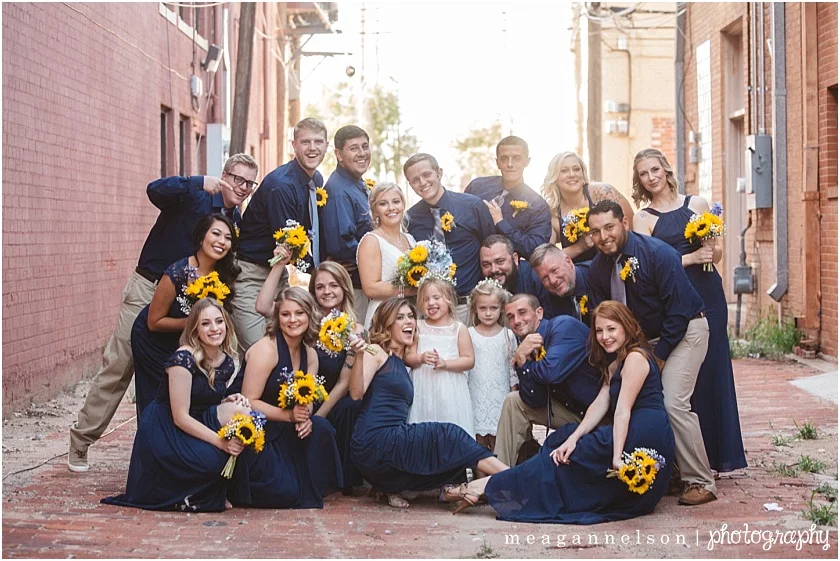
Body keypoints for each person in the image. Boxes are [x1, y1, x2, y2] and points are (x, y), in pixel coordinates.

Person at [69, 154, 257, 472]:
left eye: (249, 183)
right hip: (150, 285)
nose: (242, 187)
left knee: (170, 376)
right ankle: (81, 441)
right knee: (119, 364)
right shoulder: (195, 194)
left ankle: (158, 449)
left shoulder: (233, 224)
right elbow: (155, 190)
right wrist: (197, 181)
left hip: (188, 306)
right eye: (237, 179)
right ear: (224, 175)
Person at [447, 301, 676, 523]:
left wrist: (616, 456)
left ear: (626, 327)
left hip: (644, 434)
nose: (605, 336)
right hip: (627, 428)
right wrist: (573, 439)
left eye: (611, 329)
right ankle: (495, 484)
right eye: (599, 330)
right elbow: (599, 406)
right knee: (561, 443)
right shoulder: (615, 363)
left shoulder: (636, 357)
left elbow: (622, 411)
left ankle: (484, 486)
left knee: (568, 459)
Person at [587, 199, 717, 506]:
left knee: (672, 401)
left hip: (686, 330)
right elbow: (607, 321)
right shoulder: (598, 268)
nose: (603, 236)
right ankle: (667, 470)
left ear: (625, 224)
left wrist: (656, 359)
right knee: (636, 400)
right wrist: (614, 363)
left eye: (609, 227)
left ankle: (701, 480)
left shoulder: (658, 254)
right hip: (644, 343)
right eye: (595, 231)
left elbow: (679, 312)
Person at [631, 148, 746, 473]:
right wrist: (691, 258)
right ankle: (685, 463)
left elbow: (717, 252)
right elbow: (650, 267)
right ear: (639, 180)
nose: (651, 177)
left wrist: (713, 251)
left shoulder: (696, 204)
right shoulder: (644, 218)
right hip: (674, 302)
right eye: (644, 173)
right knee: (681, 381)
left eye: (655, 169)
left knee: (713, 372)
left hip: (709, 294)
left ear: (666, 170)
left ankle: (716, 456)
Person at [349, 298, 508, 509]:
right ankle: (514, 476)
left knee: (449, 454)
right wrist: (360, 355)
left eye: (410, 317)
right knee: (449, 435)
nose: (409, 322)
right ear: (387, 323)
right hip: (375, 440)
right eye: (400, 317)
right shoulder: (377, 352)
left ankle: (463, 489)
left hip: (392, 443)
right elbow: (356, 393)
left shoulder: (401, 360)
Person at [101, 298, 253, 512]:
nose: (214, 328)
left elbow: (205, 396)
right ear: (195, 329)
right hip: (167, 427)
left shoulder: (226, 361)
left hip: (198, 417)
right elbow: (180, 417)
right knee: (215, 459)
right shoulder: (183, 360)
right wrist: (221, 443)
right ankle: (189, 494)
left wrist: (228, 399)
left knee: (243, 413)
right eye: (206, 323)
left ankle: (222, 491)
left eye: (219, 321)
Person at [255, 259, 364, 495]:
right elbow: (264, 307)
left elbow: (345, 383)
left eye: (333, 285)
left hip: (329, 402)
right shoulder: (303, 320)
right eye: (320, 287)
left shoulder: (355, 330)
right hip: (295, 400)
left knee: (351, 406)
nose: (327, 292)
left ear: (344, 288)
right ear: (312, 291)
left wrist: (313, 417)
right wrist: (278, 264)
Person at [228, 287, 343, 508]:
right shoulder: (266, 350)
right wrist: (290, 416)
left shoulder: (309, 354)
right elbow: (249, 400)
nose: (293, 320)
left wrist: (306, 416)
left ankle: (305, 482)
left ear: (310, 315)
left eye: (299, 313)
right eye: (285, 314)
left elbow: (308, 395)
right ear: (277, 317)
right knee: (284, 492)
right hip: (256, 427)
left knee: (322, 427)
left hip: (285, 426)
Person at [232, 117, 328, 353]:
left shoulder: (314, 180)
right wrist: (320, 271)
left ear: (326, 145)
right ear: (293, 145)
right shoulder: (282, 185)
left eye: (318, 142)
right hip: (251, 276)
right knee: (259, 353)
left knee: (287, 352)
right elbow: (289, 245)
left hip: (278, 274)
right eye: (305, 142)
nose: (312, 148)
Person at [131, 214, 239, 417]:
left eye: (228, 238)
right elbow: (153, 322)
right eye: (216, 234)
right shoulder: (178, 272)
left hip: (190, 344)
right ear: (201, 238)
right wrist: (194, 322)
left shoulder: (224, 275)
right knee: (160, 400)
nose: (221, 242)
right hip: (155, 341)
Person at [493, 294, 602, 468]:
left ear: (539, 313)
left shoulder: (563, 326)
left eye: (522, 312)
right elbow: (536, 399)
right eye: (511, 317)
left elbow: (551, 373)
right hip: (571, 413)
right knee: (514, 401)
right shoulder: (528, 346)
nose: (517, 320)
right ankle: (498, 477)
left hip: (600, 415)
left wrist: (522, 360)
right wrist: (522, 360)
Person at [405, 153, 496, 323]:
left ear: (439, 173)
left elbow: (492, 249)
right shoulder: (410, 219)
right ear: (410, 185)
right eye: (415, 180)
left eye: (426, 175)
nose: (423, 182)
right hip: (430, 309)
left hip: (468, 306)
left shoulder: (472, 206)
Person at [405, 276, 475, 437]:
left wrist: (446, 364)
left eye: (436, 298)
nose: (431, 303)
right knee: (424, 426)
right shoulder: (418, 326)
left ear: (449, 299)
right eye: (425, 299)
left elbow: (469, 360)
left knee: (450, 425)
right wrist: (421, 358)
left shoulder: (458, 328)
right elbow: (408, 357)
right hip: (423, 387)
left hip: (450, 387)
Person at [464, 136, 552, 259]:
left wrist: (501, 223)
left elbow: (536, 249)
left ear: (526, 162)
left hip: (509, 271)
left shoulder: (538, 205)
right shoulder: (477, 187)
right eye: (504, 159)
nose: (510, 164)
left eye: (516, 158)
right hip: (471, 261)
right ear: (497, 162)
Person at [541, 151, 634, 262]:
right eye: (564, 171)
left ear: (583, 173)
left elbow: (631, 225)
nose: (572, 174)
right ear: (554, 177)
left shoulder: (602, 192)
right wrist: (580, 247)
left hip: (617, 263)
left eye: (576, 169)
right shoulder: (553, 213)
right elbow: (547, 258)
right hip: (580, 273)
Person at [321, 125, 373, 322]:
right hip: (354, 289)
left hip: (363, 286)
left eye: (365, 146)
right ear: (339, 155)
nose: (362, 153)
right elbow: (341, 245)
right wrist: (377, 260)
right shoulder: (339, 191)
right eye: (354, 148)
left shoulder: (356, 185)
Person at [479, 236, 589, 323]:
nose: (494, 269)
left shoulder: (537, 278)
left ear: (515, 259)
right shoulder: (483, 290)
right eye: (486, 264)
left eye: (500, 261)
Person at [466, 279, 518, 452]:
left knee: (499, 439)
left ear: (501, 309)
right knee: (478, 441)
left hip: (500, 395)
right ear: (475, 309)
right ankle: (478, 477)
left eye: (493, 308)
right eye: (483, 308)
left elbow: (512, 368)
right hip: (476, 393)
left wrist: (514, 390)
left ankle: (498, 477)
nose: (488, 313)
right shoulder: (469, 334)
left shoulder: (508, 335)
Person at [357, 182, 417, 327]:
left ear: (403, 205)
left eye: (396, 201)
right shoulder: (371, 241)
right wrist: (411, 289)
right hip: (384, 315)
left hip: (410, 313)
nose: (391, 208)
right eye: (383, 204)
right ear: (375, 210)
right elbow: (370, 288)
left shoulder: (409, 239)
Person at [529, 243, 591, 325]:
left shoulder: (595, 274)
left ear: (568, 262)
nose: (552, 281)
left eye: (554, 270)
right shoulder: (547, 298)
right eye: (545, 278)